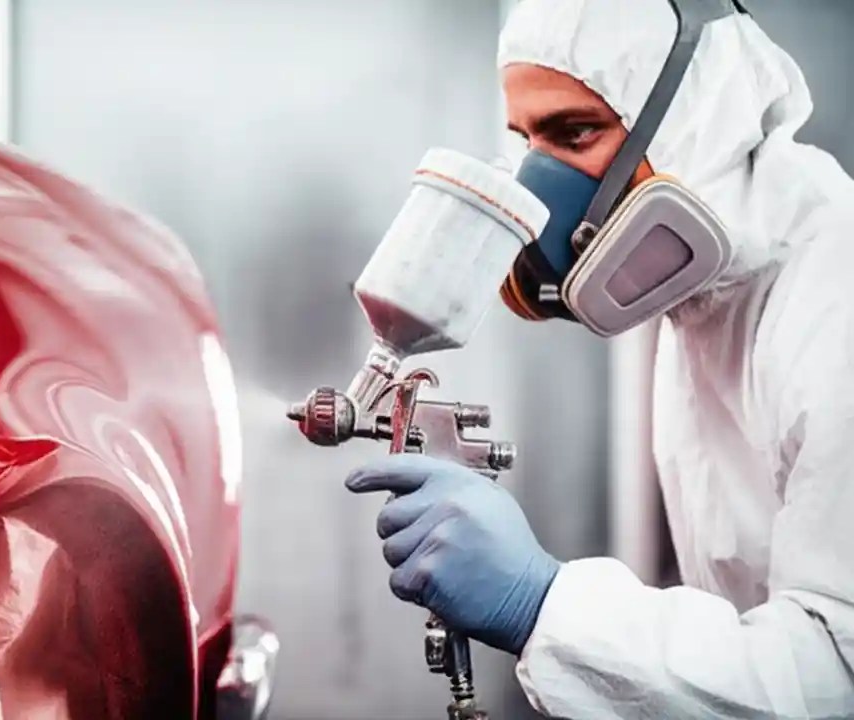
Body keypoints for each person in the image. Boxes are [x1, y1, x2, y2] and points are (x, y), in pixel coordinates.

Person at [344, 1, 854, 717]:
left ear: (694, 126)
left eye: (574, 132)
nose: (537, 187)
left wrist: (542, 604)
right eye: (525, 139)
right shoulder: (701, 301)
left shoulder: (837, 293)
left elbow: (836, 677)